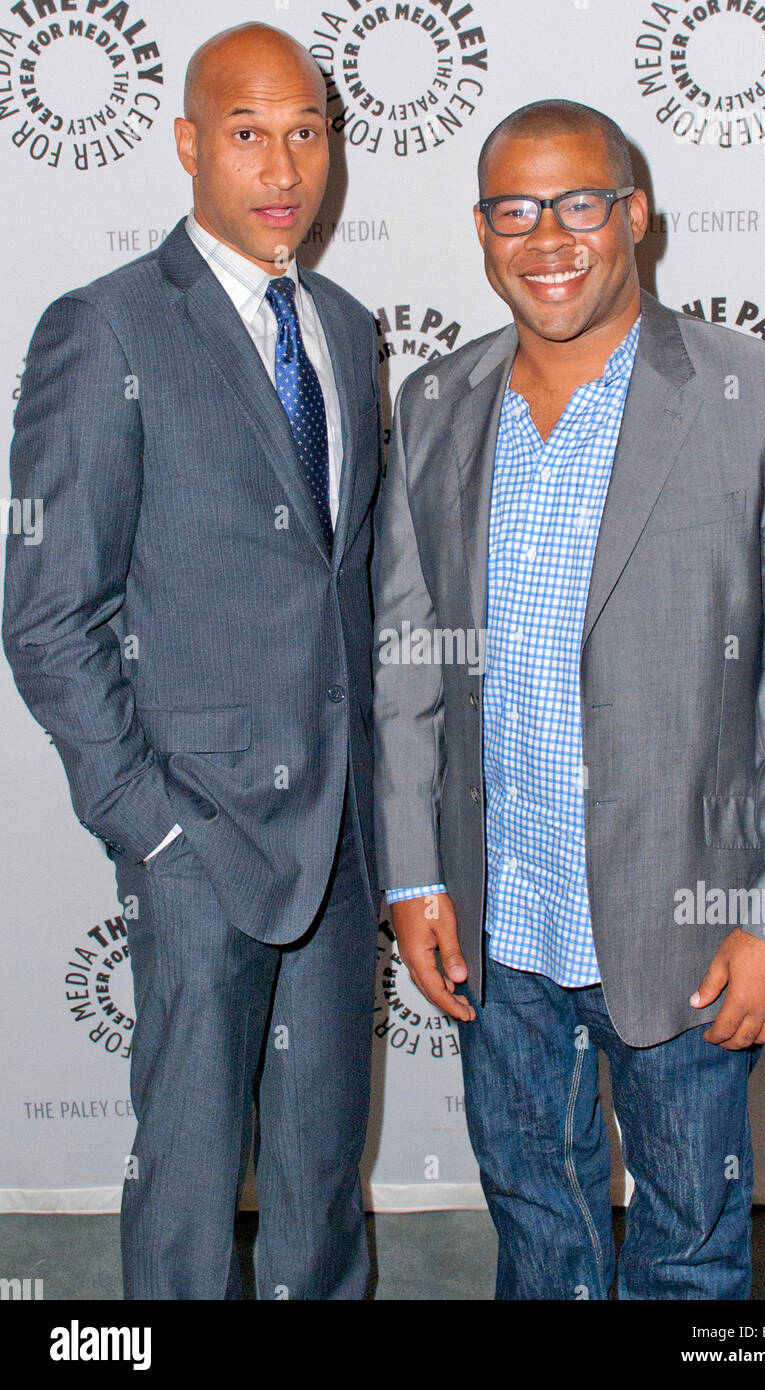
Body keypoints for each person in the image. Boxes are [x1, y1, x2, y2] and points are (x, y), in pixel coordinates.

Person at [372, 99, 765, 1299]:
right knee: (537, 1234)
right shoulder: (436, 402)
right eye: (513, 209)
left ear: (633, 213)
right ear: (481, 229)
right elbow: (406, 663)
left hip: (689, 928)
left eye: (579, 202)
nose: (547, 237)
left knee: (689, 1251)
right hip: (496, 924)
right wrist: (412, 874)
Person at [4, 23, 382, 1301]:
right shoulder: (104, 329)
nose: (281, 165)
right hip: (197, 835)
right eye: (246, 132)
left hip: (341, 828)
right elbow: (48, 612)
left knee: (322, 1171)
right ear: (185, 143)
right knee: (188, 1176)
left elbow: (342, 584)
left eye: (305, 132)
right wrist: (148, 822)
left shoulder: (345, 324)